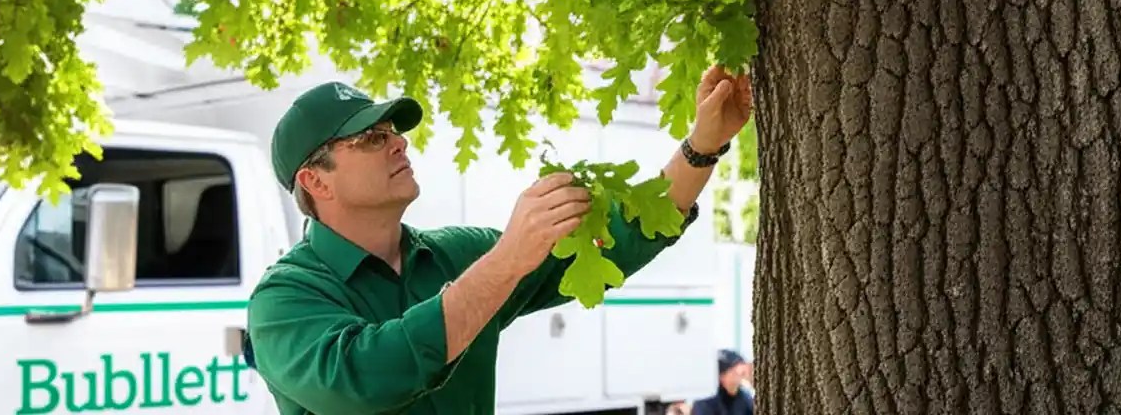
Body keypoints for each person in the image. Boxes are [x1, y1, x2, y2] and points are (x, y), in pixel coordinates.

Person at [244, 66, 752, 415]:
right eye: (372, 139)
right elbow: (365, 378)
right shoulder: (284, 300)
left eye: (393, 131)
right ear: (316, 181)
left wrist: (702, 146)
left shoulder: (460, 254)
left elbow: (617, 241)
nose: (399, 141)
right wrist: (507, 259)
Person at [690, 349, 755, 415]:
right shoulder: (705, 402)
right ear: (721, 376)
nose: (740, 375)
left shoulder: (745, 398)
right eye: (734, 372)